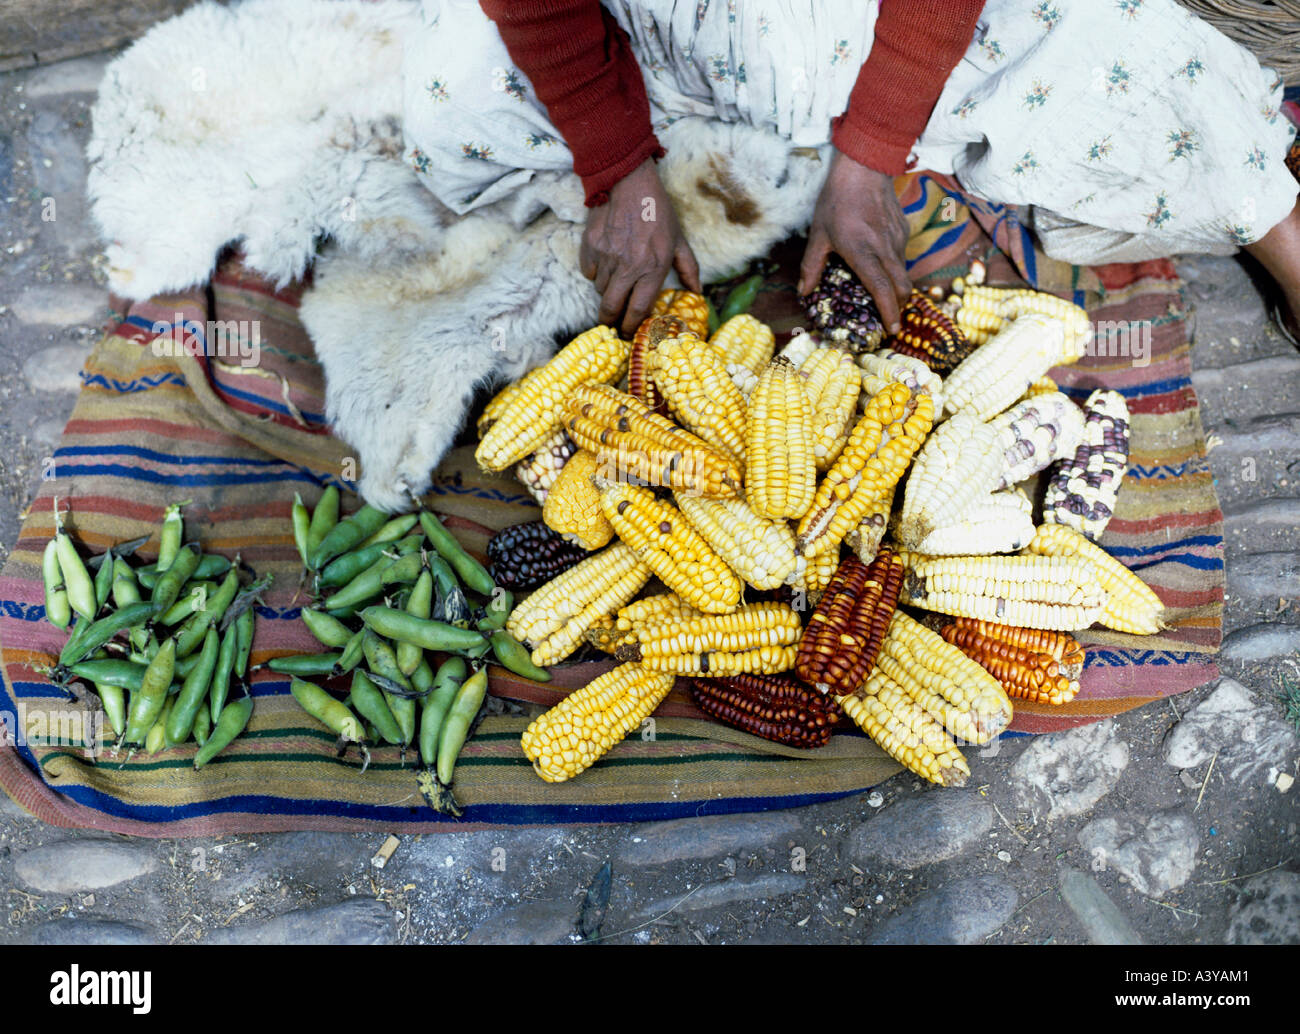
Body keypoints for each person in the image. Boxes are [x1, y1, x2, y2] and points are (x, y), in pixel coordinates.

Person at [402, 0, 1300, 342]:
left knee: (1138, 46)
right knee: (440, 92)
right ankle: (701, 156)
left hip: (873, 27)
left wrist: (869, 155)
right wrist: (616, 168)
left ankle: (1277, 229)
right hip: (658, 35)